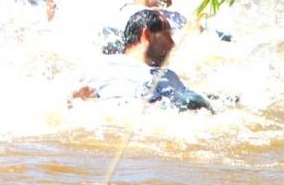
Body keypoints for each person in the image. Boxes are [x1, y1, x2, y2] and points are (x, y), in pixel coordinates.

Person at [70, 9, 210, 110]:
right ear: (146, 35)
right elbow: (197, 105)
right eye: (167, 35)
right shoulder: (165, 76)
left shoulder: (94, 65)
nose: (172, 44)